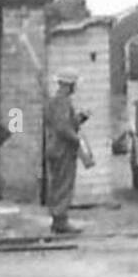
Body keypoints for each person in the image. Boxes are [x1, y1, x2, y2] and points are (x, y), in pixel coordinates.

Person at [45, 70, 88, 234]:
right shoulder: (62, 102)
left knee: (58, 183)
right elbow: (63, 127)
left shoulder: (55, 101)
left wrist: (80, 118)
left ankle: (58, 218)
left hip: (54, 147)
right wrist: (78, 141)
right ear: (69, 85)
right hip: (62, 149)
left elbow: (63, 123)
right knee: (64, 184)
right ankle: (60, 220)